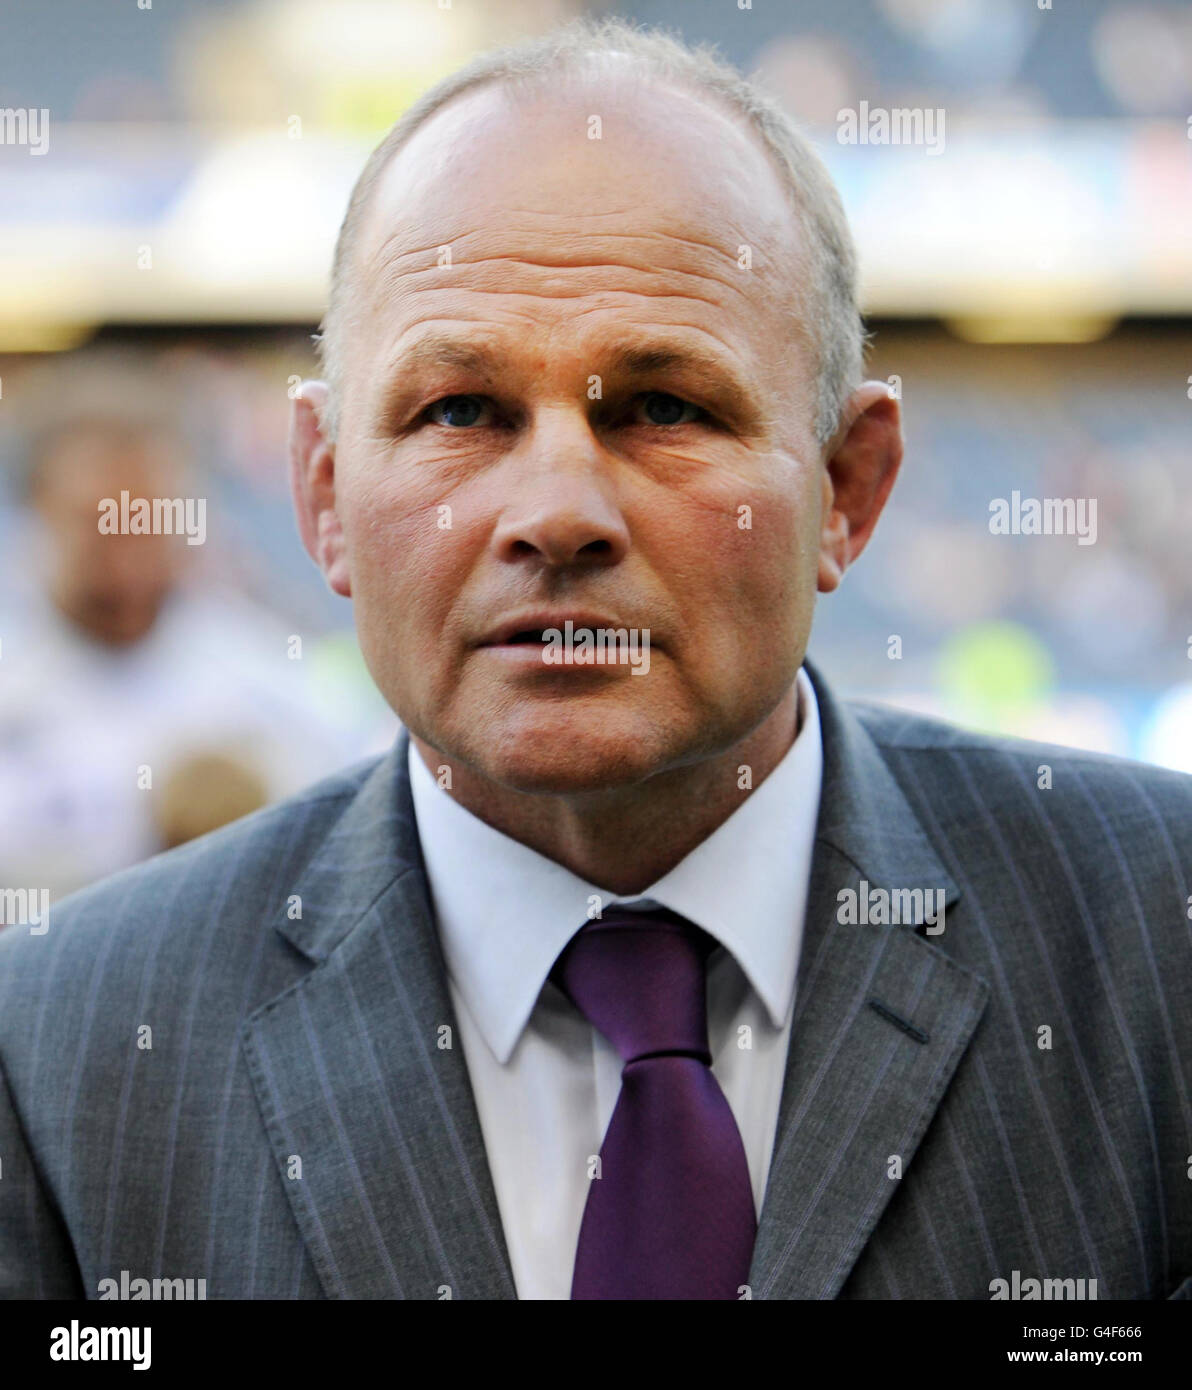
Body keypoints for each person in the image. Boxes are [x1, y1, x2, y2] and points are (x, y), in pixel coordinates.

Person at [1, 18, 1189, 1302]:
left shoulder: (1157, 943)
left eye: (664, 407)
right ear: (326, 496)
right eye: (460, 410)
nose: (558, 510)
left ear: (849, 485)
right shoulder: (61, 1050)